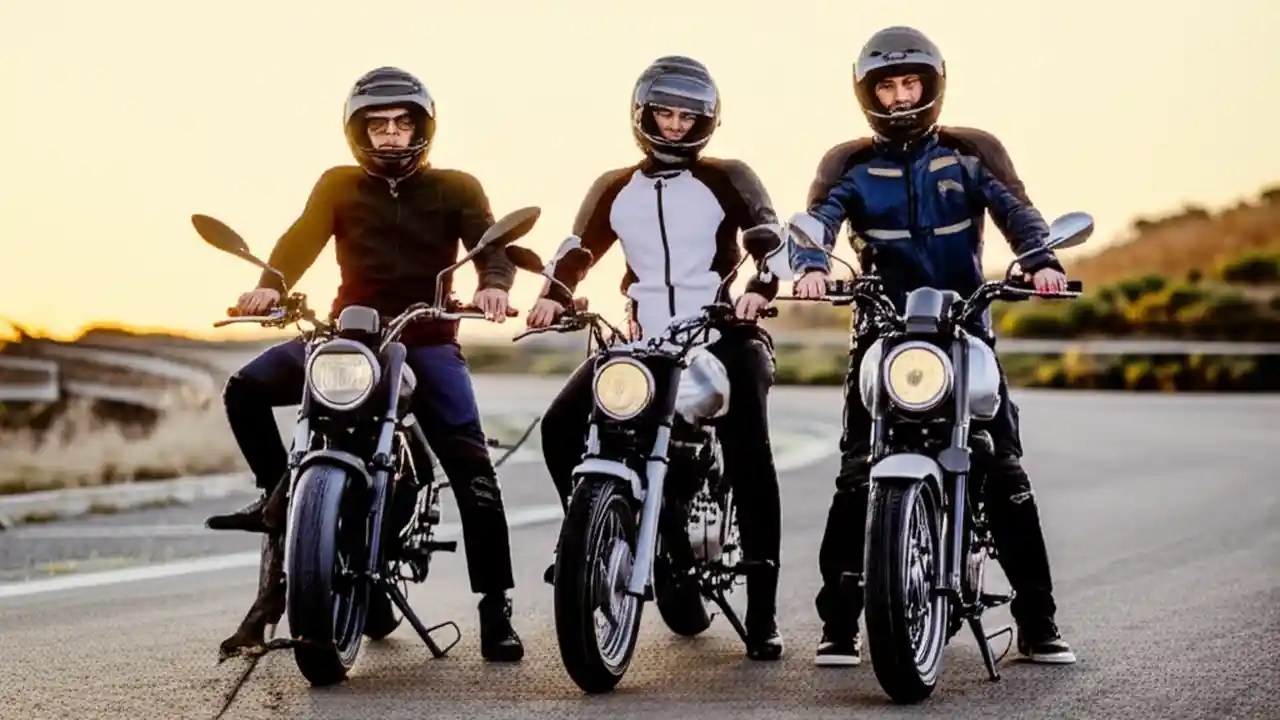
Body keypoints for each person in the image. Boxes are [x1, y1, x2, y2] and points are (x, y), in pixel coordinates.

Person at [205, 66, 524, 662]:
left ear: (422, 127)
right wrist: (269, 285)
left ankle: (495, 607)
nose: (390, 135)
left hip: (425, 339)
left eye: (402, 124)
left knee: (473, 466)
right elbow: (301, 239)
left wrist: (494, 286)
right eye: (377, 125)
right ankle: (279, 493)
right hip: (348, 338)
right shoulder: (339, 184)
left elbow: (490, 246)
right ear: (358, 131)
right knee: (246, 388)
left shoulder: (457, 186)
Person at [788, 26, 1077, 667]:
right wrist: (810, 264)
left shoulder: (971, 152)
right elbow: (820, 218)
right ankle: (840, 624)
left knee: (1002, 468)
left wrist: (1039, 259)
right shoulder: (849, 162)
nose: (898, 97)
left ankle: (1038, 620)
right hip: (885, 332)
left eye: (909, 82)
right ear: (868, 93)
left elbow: (1016, 209)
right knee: (857, 470)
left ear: (932, 84)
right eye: (886, 85)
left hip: (965, 325)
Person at [524, 56, 786, 660]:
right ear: (642, 115)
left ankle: (764, 609)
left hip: (722, 332)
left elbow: (768, 239)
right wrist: (552, 298)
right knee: (563, 428)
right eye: (663, 114)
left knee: (749, 448)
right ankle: (603, 530)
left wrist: (757, 292)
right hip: (644, 342)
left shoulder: (728, 176)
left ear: (707, 121)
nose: (673, 126)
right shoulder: (614, 187)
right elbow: (577, 250)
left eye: (686, 116)